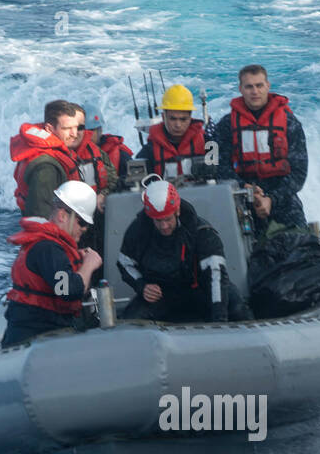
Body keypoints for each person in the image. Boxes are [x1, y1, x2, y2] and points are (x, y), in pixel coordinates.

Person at [118, 176, 250, 323]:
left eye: (168, 219)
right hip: (163, 295)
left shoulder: (201, 231)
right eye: (158, 221)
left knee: (237, 309)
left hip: (201, 290)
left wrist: (219, 318)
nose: (164, 226)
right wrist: (142, 286)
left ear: (177, 211)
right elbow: (124, 263)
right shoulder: (138, 231)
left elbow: (216, 275)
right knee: (131, 320)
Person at [1, 181, 102, 348]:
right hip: (34, 335)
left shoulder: (51, 247)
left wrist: (79, 260)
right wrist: (89, 265)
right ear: (63, 215)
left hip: (45, 331)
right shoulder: (47, 248)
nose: (84, 229)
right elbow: (67, 290)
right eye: (82, 223)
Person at [213, 64, 308, 231]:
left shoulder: (290, 123)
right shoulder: (225, 126)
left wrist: (271, 199)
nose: (254, 91)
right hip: (241, 198)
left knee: (301, 244)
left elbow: (299, 172)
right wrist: (244, 188)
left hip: (283, 198)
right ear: (240, 89)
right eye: (249, 86)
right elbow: (218, 166)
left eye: (259, 85)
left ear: (268, 86)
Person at [10, 100, 116, 220]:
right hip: (63, 230)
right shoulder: (45, 167)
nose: (74, 134)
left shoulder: (84, 150)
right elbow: (40, 217)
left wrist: (103, 195)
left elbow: (112, 180)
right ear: (50, 129)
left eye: (78, 127)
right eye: (67, 128)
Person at [140, 84, 206, 180]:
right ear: (163, 117)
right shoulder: (149, 151)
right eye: (173, 119)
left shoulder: (206, 143)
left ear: (190, 118)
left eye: (183, 119)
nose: (178, 125)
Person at [88, 114, 135, 185]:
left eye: (90, 130)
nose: (86, 134)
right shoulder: (72, 156)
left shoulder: (122, 156)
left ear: (100, 130)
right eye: (81, 130)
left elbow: (134, 183)